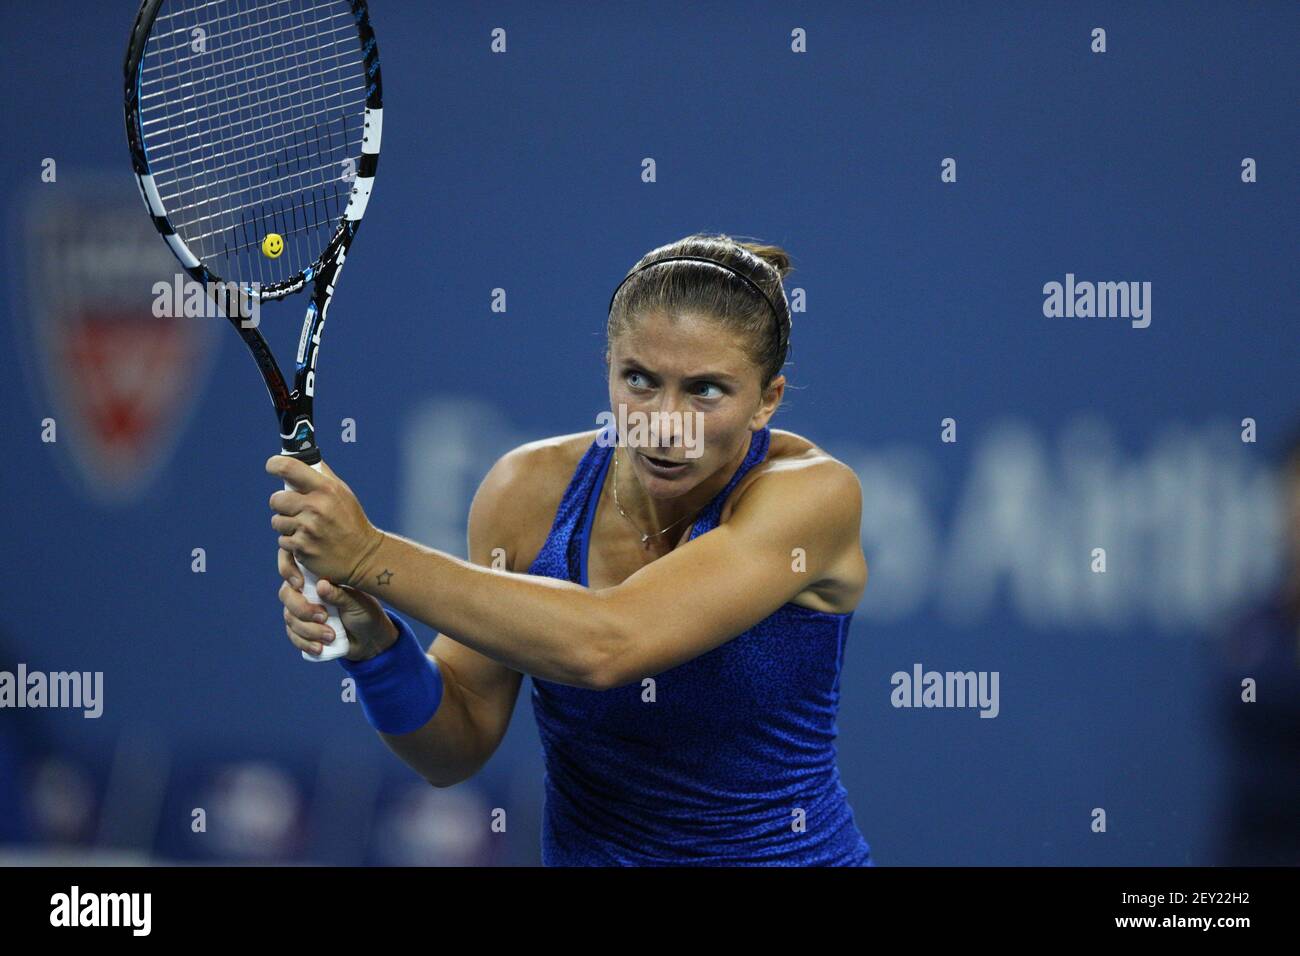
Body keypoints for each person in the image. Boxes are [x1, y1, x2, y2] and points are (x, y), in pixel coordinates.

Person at [270, 233, 873, 865]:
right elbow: (456, 745)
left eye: (706, 390)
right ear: (608, 367)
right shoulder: (527, 490)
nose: (664, 421)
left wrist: (368, 555)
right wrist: (379, 654)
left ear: (767, 401)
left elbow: (606, 645)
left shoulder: (813, 496)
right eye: (638, 379)